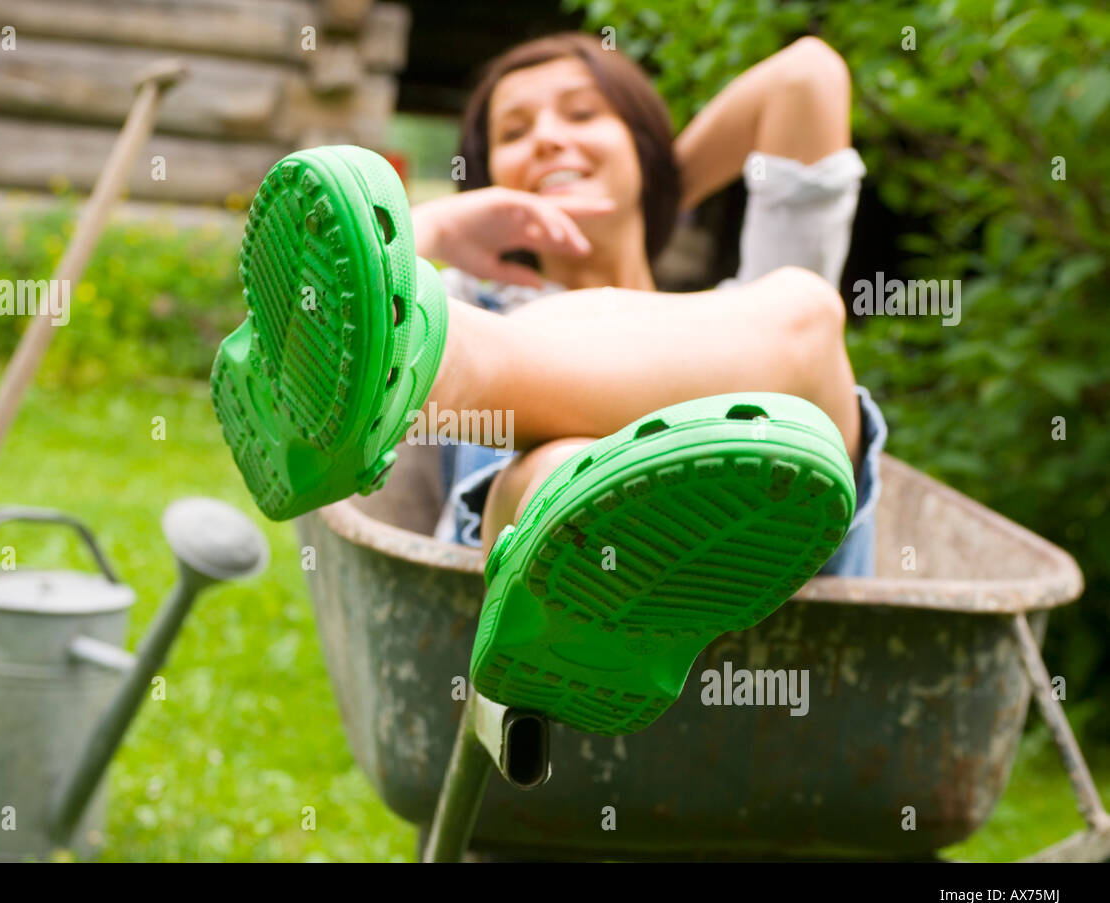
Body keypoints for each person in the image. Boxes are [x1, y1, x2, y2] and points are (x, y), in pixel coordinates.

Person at [209, 32, 886, 735]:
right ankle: (442, 386)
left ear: (644, 149)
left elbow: (807, 76)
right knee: (560, 470)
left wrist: (653, 187)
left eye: (584, 115)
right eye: (516, 131)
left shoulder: (740, 308)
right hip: (528, 537)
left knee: (806, 311)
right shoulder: (480, 295)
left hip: (786, 551)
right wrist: (438, 226)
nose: (551, 139)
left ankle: (423, 372)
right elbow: (285, 327)